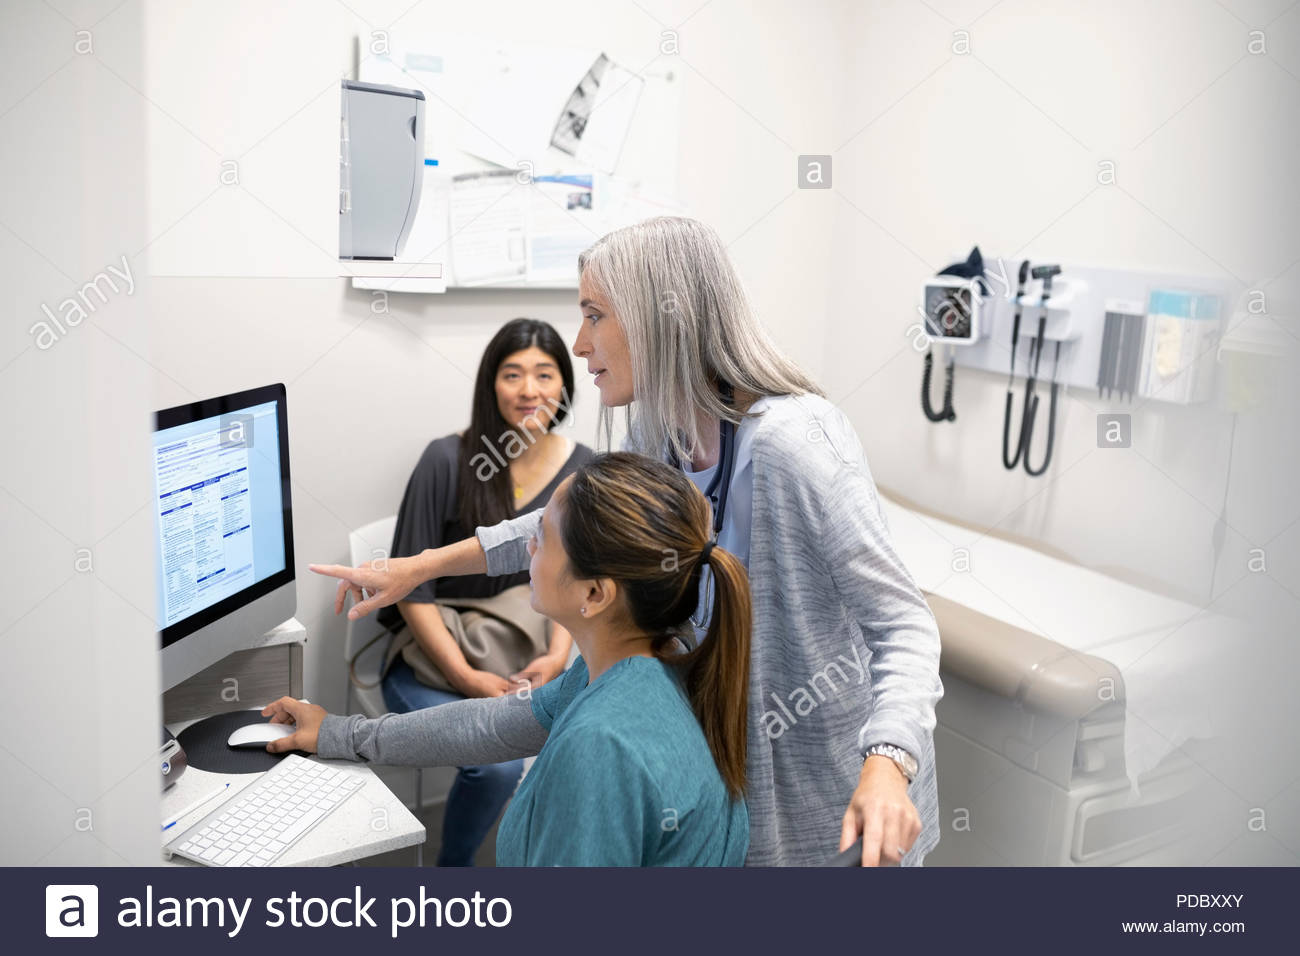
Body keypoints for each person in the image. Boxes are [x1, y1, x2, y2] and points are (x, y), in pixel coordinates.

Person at [312, 216, 944, 867]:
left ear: (657, 317)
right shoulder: (659, 434)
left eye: (594, 315)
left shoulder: (792, 442)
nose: (580, 344)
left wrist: (888, 764)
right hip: (733, 771)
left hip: (842, 798)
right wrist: (420, 568)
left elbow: (902, 621)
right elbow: (568, 525)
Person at [264, 452, 751, 866]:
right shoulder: (660, 657)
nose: (529, 546)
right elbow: (494, 726)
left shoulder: (600, 744)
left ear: (595, 594)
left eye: (544, 536)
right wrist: (339, 733)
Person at [375, 317, 594, 866]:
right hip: (432, 659)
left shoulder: (584, 469)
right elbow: (412, 590)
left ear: (565, 385)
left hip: (527, 656)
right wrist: (467, 678)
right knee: (495, 765)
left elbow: (576, 580)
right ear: (490, 385)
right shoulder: (445, 460)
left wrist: (555, 657)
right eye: (512, 374)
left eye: (545, 374)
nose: (529, 390)